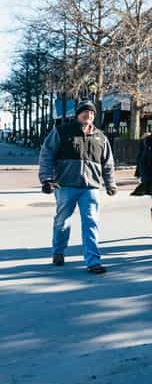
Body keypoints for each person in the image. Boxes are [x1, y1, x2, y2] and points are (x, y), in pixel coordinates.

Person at [38, 100, 116, 274]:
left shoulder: (100, 137)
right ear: (78, 114)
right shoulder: (62, 131)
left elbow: (108, 162)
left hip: (91, 187)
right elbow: (46, 154)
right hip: (65, 185)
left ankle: (93, 261)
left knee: (91, 222)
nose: (89, 115)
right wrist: (46, 179)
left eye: (92, 113)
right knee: (63, 221)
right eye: (85, 112)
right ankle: (58, 251)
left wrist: (110, 183)